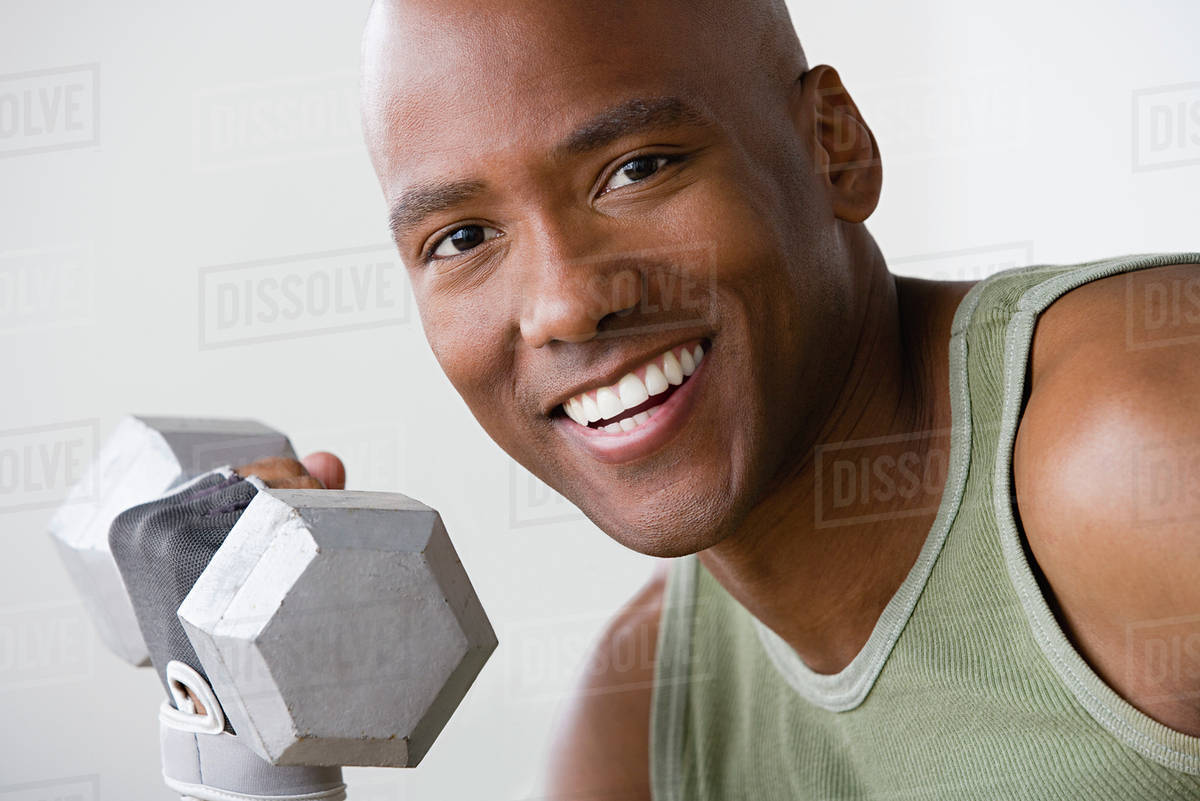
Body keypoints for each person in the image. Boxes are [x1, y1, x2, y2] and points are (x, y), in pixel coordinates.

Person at [123, 0, 1200, 798]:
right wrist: (241, 741)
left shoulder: (1137, 451)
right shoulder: (640, 714)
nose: (562, 305)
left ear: (835, 144)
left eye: (635, 169)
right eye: (460, 239)